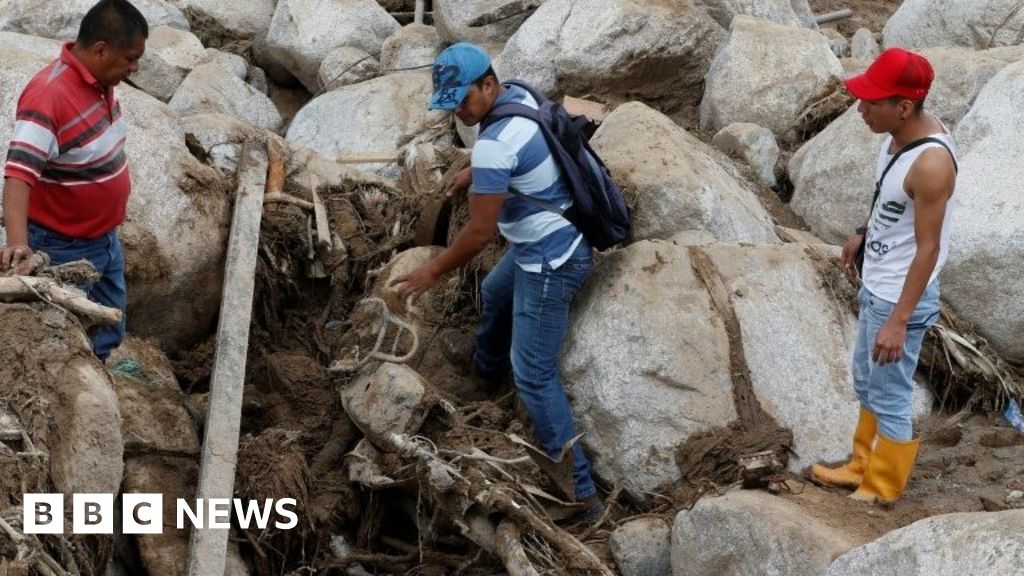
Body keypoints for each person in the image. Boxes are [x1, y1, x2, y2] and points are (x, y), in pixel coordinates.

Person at [391, 43, 602, 520]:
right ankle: (484, 372)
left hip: (550, 260)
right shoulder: (522, 98)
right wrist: (473, 171)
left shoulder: (493, 144)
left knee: (533, 374)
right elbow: (524, 150)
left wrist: (432, 269)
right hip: (551, 233)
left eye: (464, 100)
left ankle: (582, 494)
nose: (462, 113)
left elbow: (480, 233)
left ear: (488, 84)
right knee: (492, 291)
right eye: (453, 107)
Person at [811, 48, 957, 504]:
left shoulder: (931, 164)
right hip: (878, 285)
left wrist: (899, 319)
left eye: (871, 101)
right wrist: (864, 232)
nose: (860, 109)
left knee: (892, 393)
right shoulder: (894, 139)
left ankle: (882, 488)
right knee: (865, 378)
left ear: (905, 106)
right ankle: (861, 464)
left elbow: (929, 249)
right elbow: (892, 205)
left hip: (900, 299)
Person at [1, 0, 148, 361]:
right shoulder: (49, 96)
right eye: (130, 58)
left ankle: (101, 369)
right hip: (63, 245)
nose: (135, 67)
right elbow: (18, 176)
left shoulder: (98, 81)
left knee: (110, 323)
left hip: (104, 239)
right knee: (67, 333)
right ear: (101, 49)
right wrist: (18, 245)